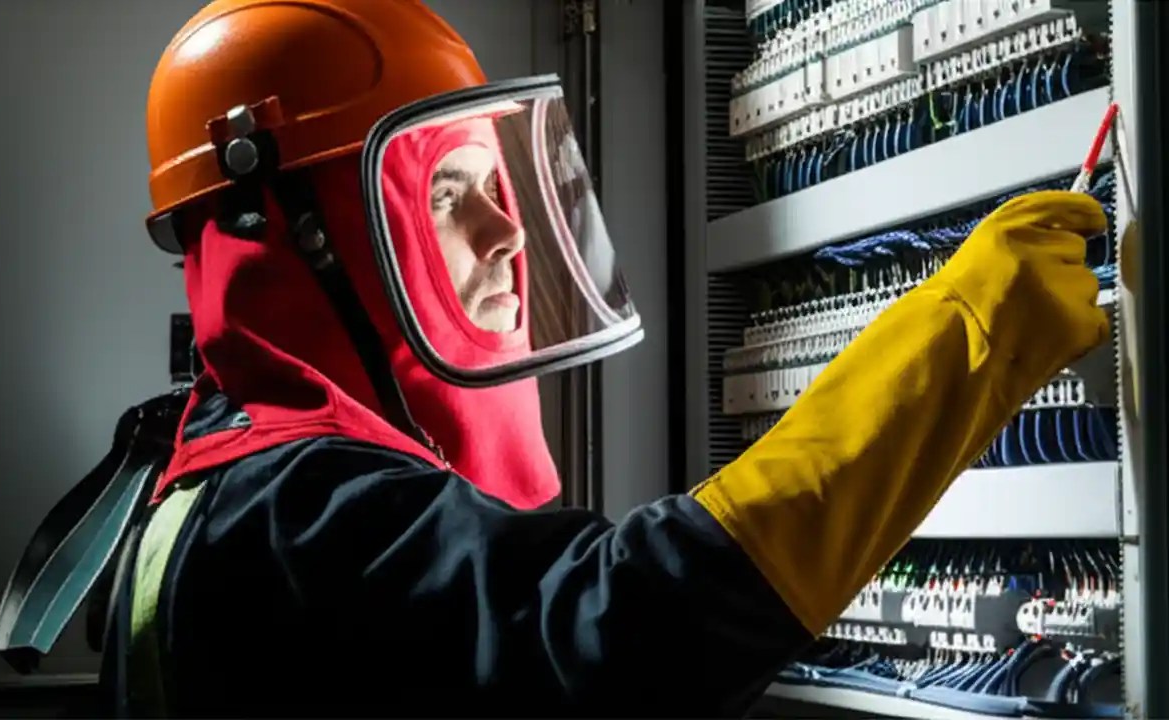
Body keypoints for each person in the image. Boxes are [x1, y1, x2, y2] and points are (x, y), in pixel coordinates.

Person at [100, 0, 1111, 716]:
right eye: (443, 196)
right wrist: (968, 337)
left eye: (496, 184)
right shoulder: (295, 511)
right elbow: (623, 633)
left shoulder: (211, 464)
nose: (504, 234)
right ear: (291, 237)